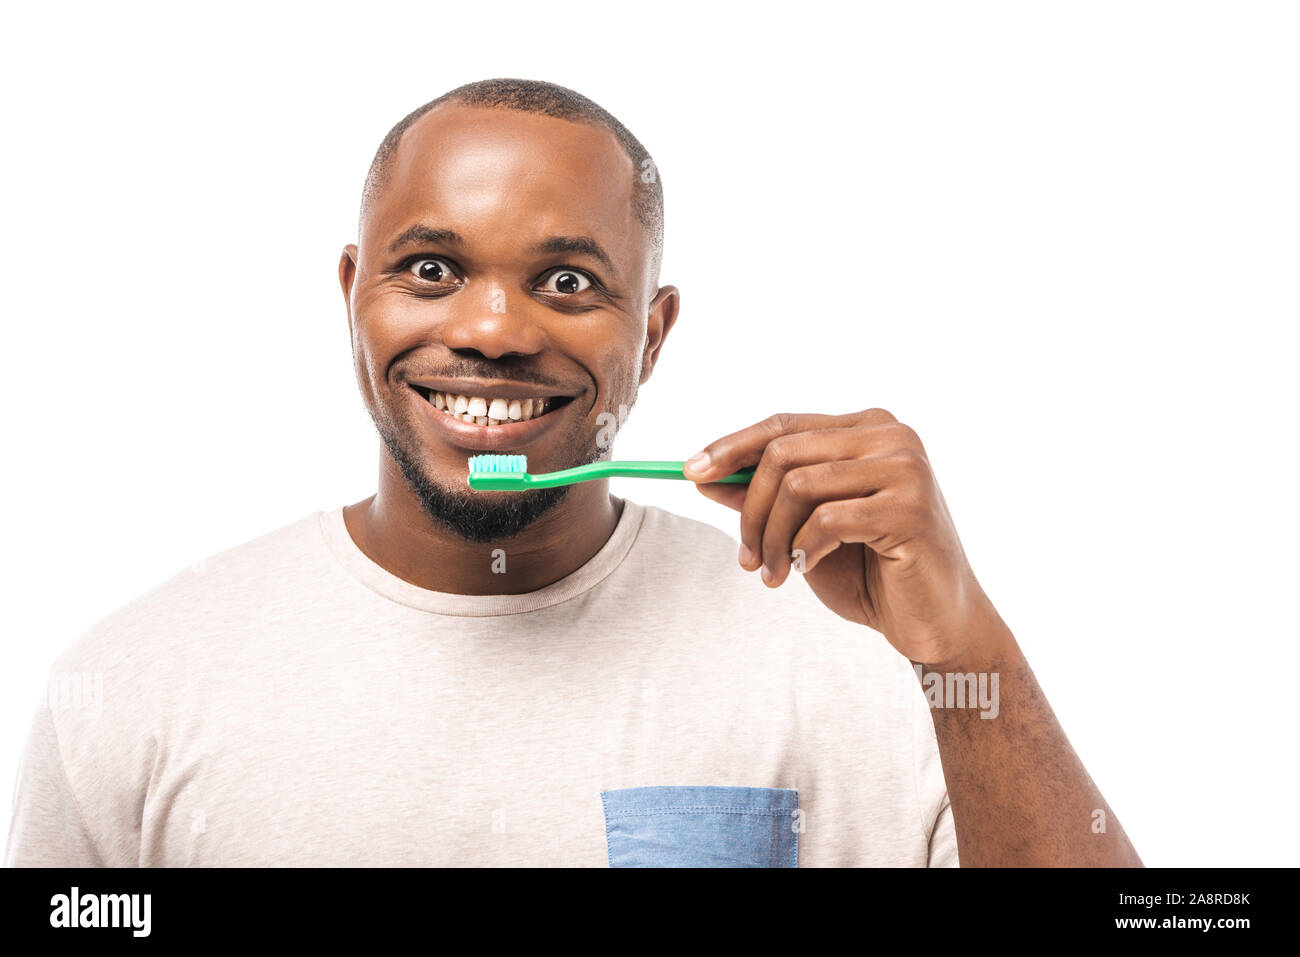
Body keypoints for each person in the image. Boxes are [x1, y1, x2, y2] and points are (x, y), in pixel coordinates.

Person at [5, 78, 1140, 867]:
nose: (492, 330)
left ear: (652, 335)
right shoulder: (136, 688)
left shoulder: (860, 664)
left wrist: (968, 648)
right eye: (434, 268)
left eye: (565, 284)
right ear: (353, 293)